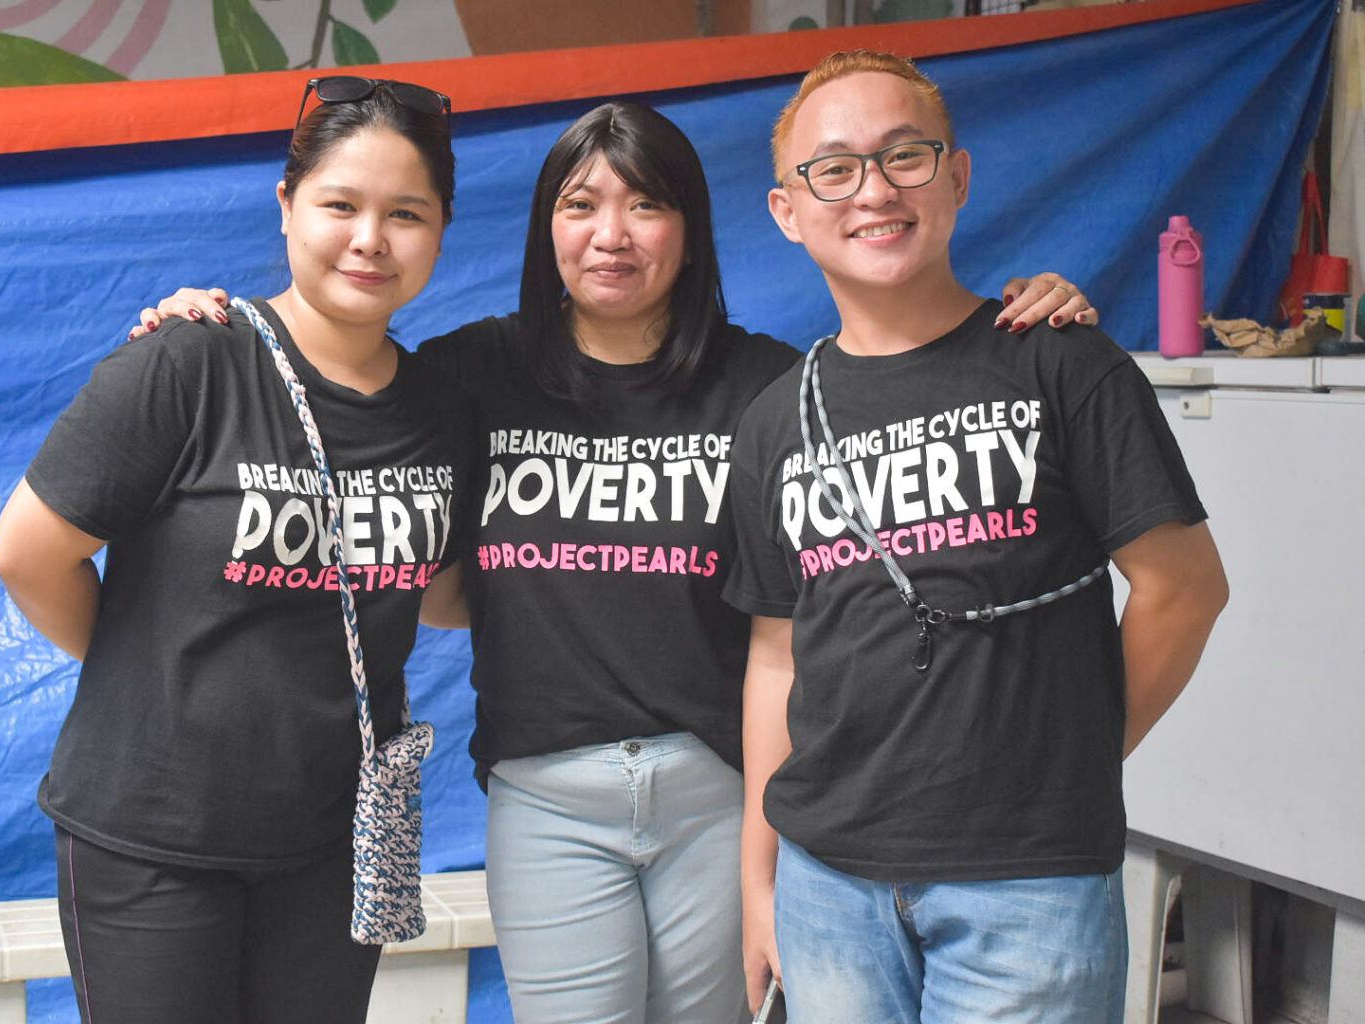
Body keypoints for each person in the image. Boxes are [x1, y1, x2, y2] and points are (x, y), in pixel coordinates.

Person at [134, 103, 1095, 1023]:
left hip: (722, 796)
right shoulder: (469, 375)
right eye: (580, 204)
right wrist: (220, 330)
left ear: (690, 227)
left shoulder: (767, 387)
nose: (613, 235)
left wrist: (1017, 318)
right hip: (547, 799)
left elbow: (882, 442)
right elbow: (341, 401)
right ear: (546, 226)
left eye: (647, 203)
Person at [724, 50, 1229, 1022]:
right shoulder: (775, 422)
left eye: (903, 155)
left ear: (955, 176)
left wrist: (1072, 760)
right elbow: (777, 658)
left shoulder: (1063, 363)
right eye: (833, 168)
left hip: (1027, 883)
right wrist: (759, 880)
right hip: (829, 879)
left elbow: (1185, 589)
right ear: (789, 211)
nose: (873, 189)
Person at [0, 76, 475, 1024]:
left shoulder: (446, 407)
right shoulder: (191, 360)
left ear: (442, 228)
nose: (370, 238)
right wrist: (153, 667)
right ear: (287, 205)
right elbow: (25, 553)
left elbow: (444, 591)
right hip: (153, 840)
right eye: (341, 204)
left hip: (335, 842)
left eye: (405, 213)